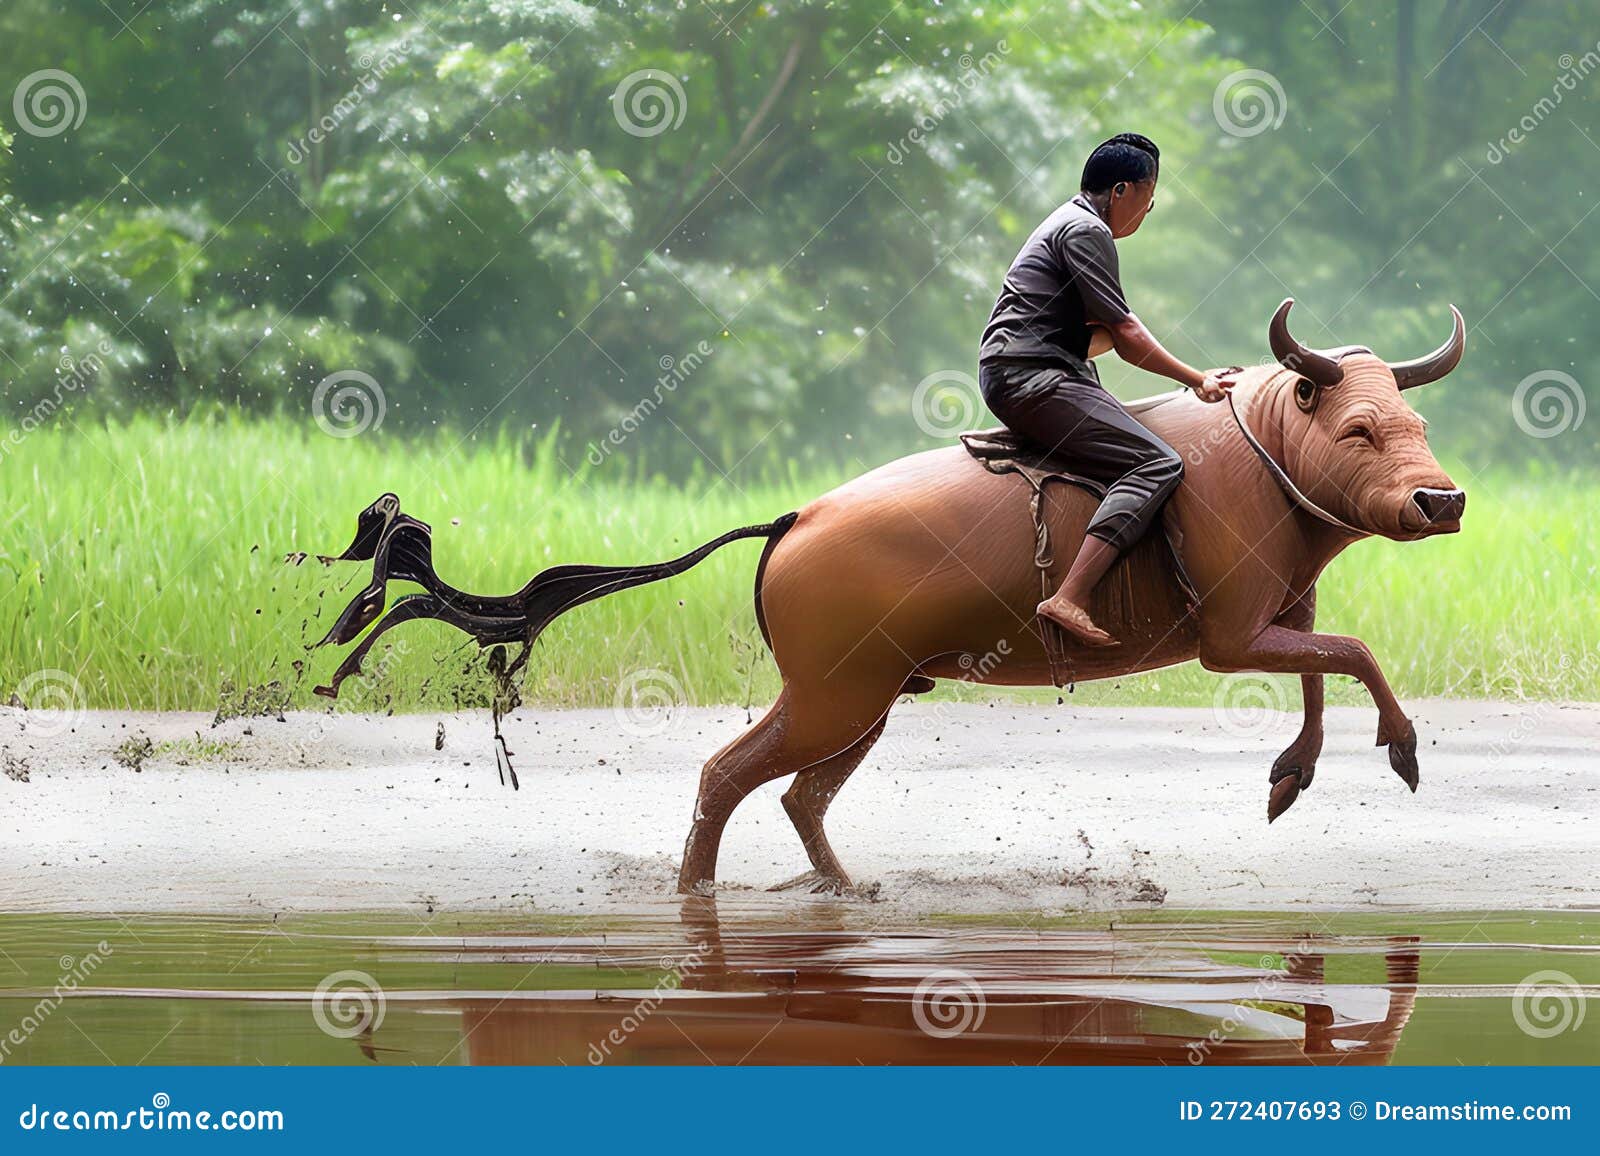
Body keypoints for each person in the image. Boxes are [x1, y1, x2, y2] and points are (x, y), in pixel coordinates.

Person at [978, 132, 1238, 647]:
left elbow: (1099, 339)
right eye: (1148, 198)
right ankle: (1069, 596)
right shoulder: (1084, 230)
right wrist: (1198, 379)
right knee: (1158, 462)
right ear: (1121, 191)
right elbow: (1127, 337)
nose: (1147, 212)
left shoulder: (1069, 223)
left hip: (1033, 370)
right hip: (1030, 379)